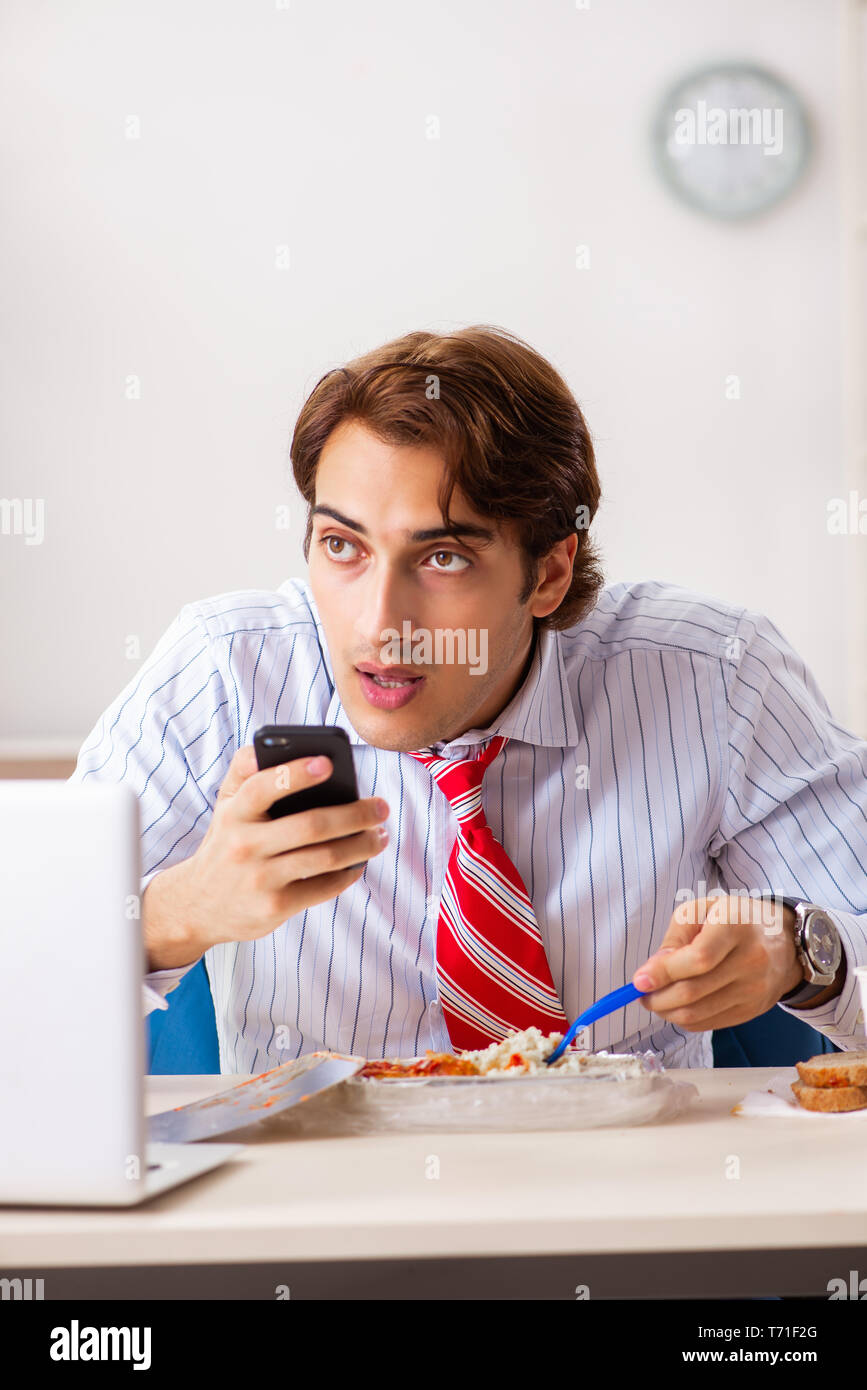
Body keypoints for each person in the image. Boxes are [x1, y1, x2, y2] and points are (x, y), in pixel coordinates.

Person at [69, 325, 867, 1072]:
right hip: (316, 1197)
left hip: (624, 1198)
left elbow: (843, 933)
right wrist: (180, 913)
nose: (378, 624)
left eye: (442, 557)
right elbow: (25, 970)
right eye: (341, 546)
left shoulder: (714, 676)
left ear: (548, 573)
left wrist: (805, 954)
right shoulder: (222, 672)